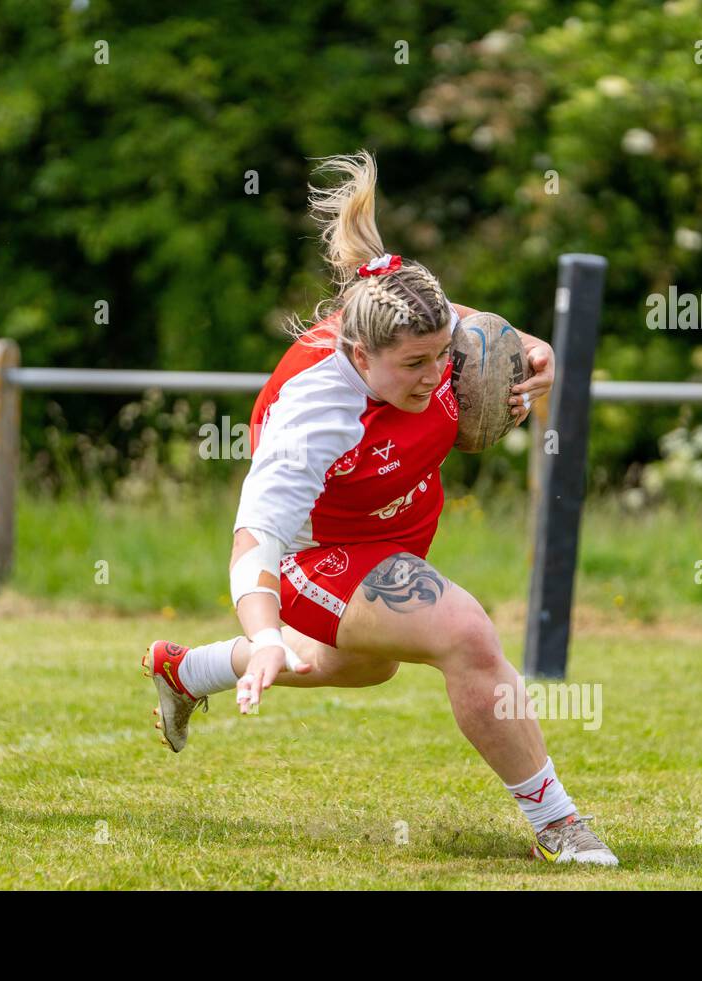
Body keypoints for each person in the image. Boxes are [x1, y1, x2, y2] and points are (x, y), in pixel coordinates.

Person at [143, 151, 615, 864]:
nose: (436, 377)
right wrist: (265, 632)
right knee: (464, 630)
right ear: (359, 357)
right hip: (317, 552)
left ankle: (189, 669)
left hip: (399, 522)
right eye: (415, 367)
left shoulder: (417, 319)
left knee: (364, 665)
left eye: (441, 358)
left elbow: (477, 330)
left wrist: (525, 351)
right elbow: (254, 541)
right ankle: (559, 823)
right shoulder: (314, 412)